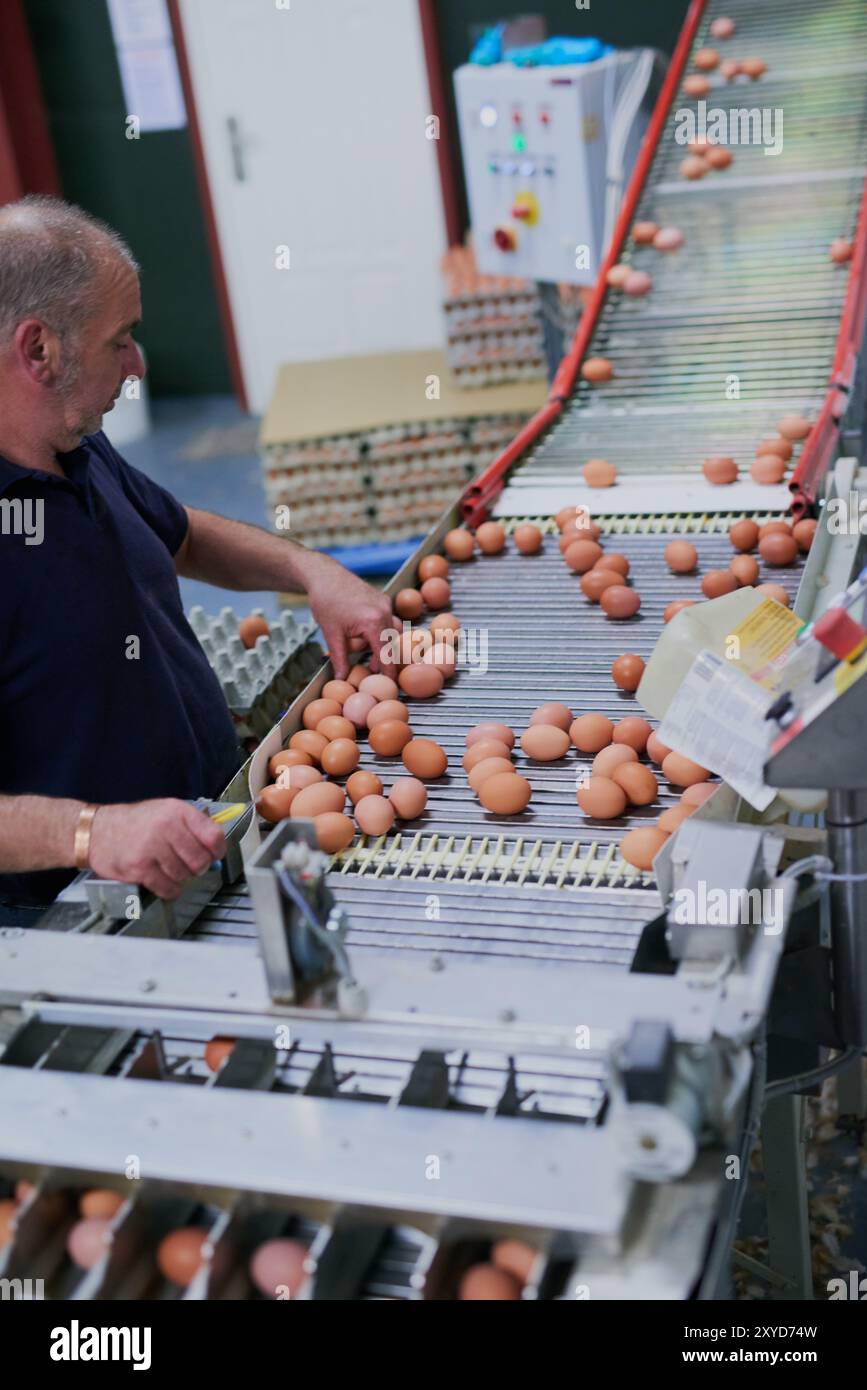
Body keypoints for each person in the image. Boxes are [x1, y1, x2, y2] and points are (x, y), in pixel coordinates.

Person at [0, 196, 392, 917]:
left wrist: (313, 573)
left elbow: (182, 535)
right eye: (120, 340)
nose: (137, 365)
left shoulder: (74, 444)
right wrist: (92, 831)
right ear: (38, 349)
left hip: (206, 834)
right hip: (89, 912)